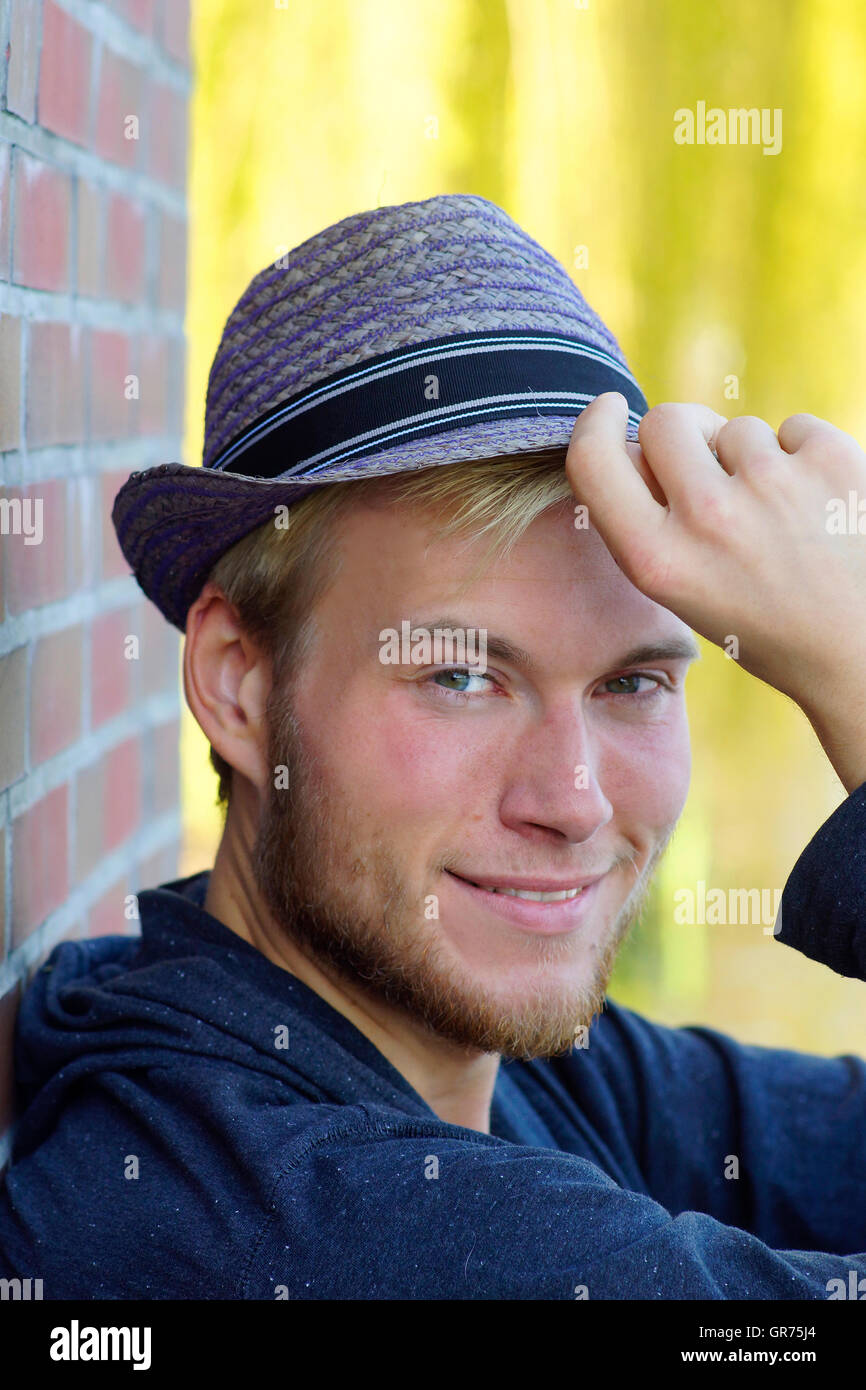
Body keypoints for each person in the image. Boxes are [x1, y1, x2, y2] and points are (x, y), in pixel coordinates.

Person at [1, 192, 865, 1300]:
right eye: (459, 675)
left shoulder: (509, 1069)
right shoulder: (276, 1225)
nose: (572, 798)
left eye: (632, 681)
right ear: (237, 682)